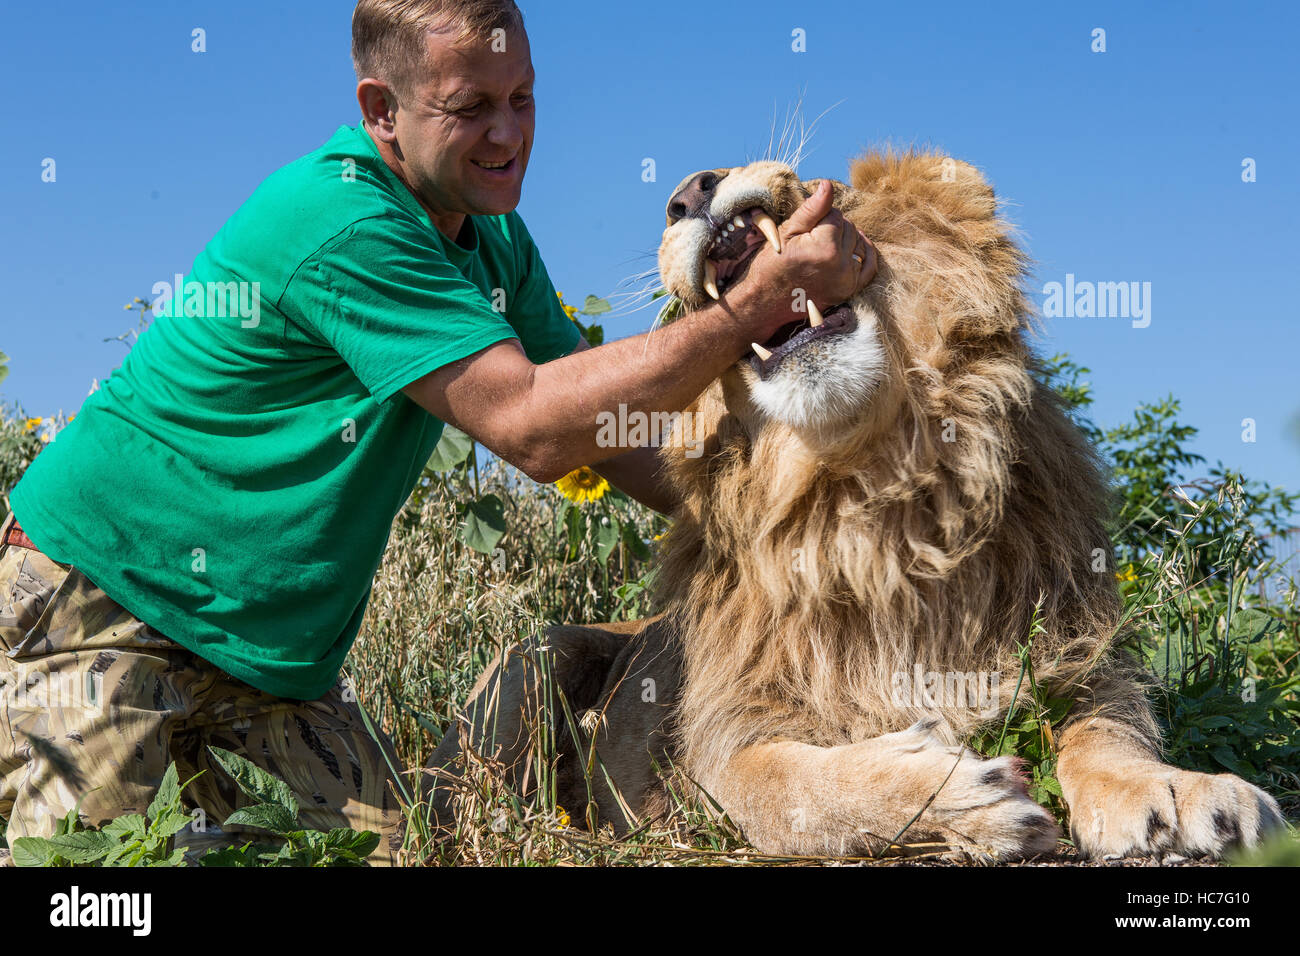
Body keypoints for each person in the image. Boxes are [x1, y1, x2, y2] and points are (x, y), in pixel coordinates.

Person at [0, 0, 875, 866]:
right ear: (381, 110)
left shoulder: (494, 240)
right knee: (93, 882)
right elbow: (534, 429)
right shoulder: (343, 219)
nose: (508, 135)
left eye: (522, 99)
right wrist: (754, 304)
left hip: (266, 664)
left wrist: (793, 516)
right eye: (470, 109)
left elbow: (607, 434)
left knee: (407, 857)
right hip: (98, 604)